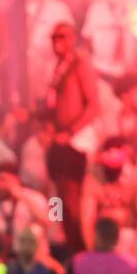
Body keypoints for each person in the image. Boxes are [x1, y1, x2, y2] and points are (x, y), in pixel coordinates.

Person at [41, 23, 99, 253]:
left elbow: (93, 105)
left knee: (72, 201)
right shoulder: (57, 68)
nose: (57, 43)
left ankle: (80, 252)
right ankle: (68, 250)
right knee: (60, 201)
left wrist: (71, 132)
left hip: (74, 143)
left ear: (72, 38)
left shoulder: (80, 65)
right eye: (54, 38)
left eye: (62, 37)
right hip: (58, 142)